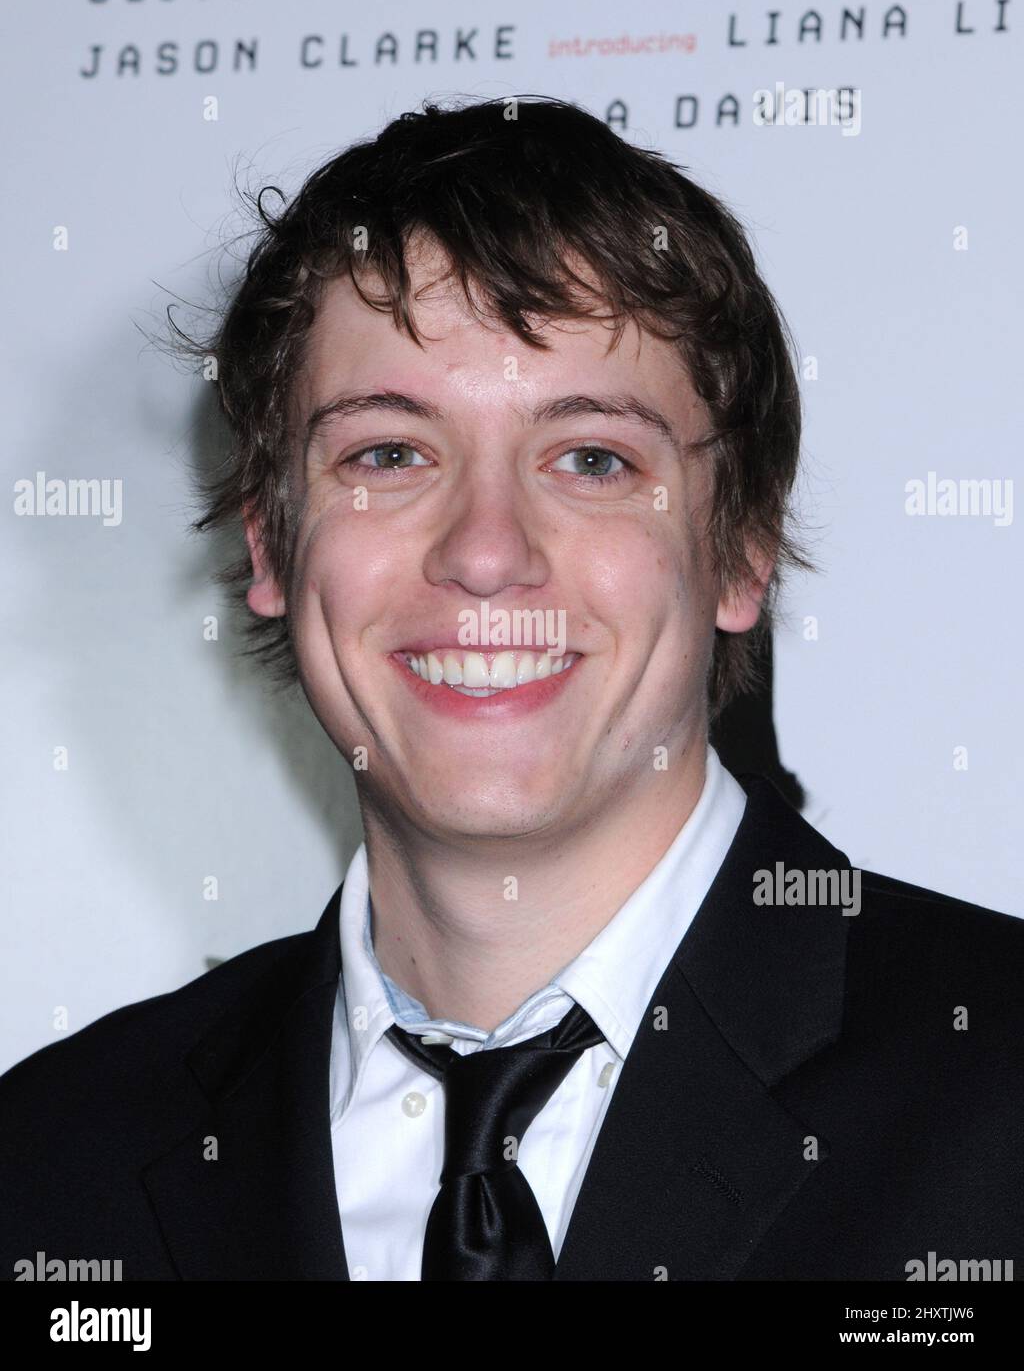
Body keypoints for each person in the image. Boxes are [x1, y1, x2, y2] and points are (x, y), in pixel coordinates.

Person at [2, 95, 1022, 1283]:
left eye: (591, 458)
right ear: (273, 548)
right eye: (389, 452)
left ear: (740, 543)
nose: (486, 551)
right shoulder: (49, 1165)